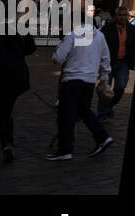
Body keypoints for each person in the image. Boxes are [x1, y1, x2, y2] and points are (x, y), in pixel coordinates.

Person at [49, 10, 114, 161]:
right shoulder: (99, 35)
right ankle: (102, 137)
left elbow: (58, 59)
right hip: (89, 81)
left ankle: (65, 149)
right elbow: (106, 59)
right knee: (84, 111)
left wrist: (57, 50)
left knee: (66, 114)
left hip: (72, 79)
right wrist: (104, 77)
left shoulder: (72, 35)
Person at [0, 0, 35, 163]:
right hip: (16, 77)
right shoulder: (17, 25)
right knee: (4, 111)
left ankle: (6, 143)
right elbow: (31, 48)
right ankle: (7, 144)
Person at [98, 6, 135, 120]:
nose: (122, 17)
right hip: (109, 62)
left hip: (123, 62)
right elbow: (101, 44)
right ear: (116, 16)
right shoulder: (108, 27)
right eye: (120, 15)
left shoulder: (131, 29)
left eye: (125, 15)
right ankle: (102, 114)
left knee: (120, 87)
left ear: (127, 16)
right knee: (105, 88)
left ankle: (109, 106)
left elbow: (134, 46)